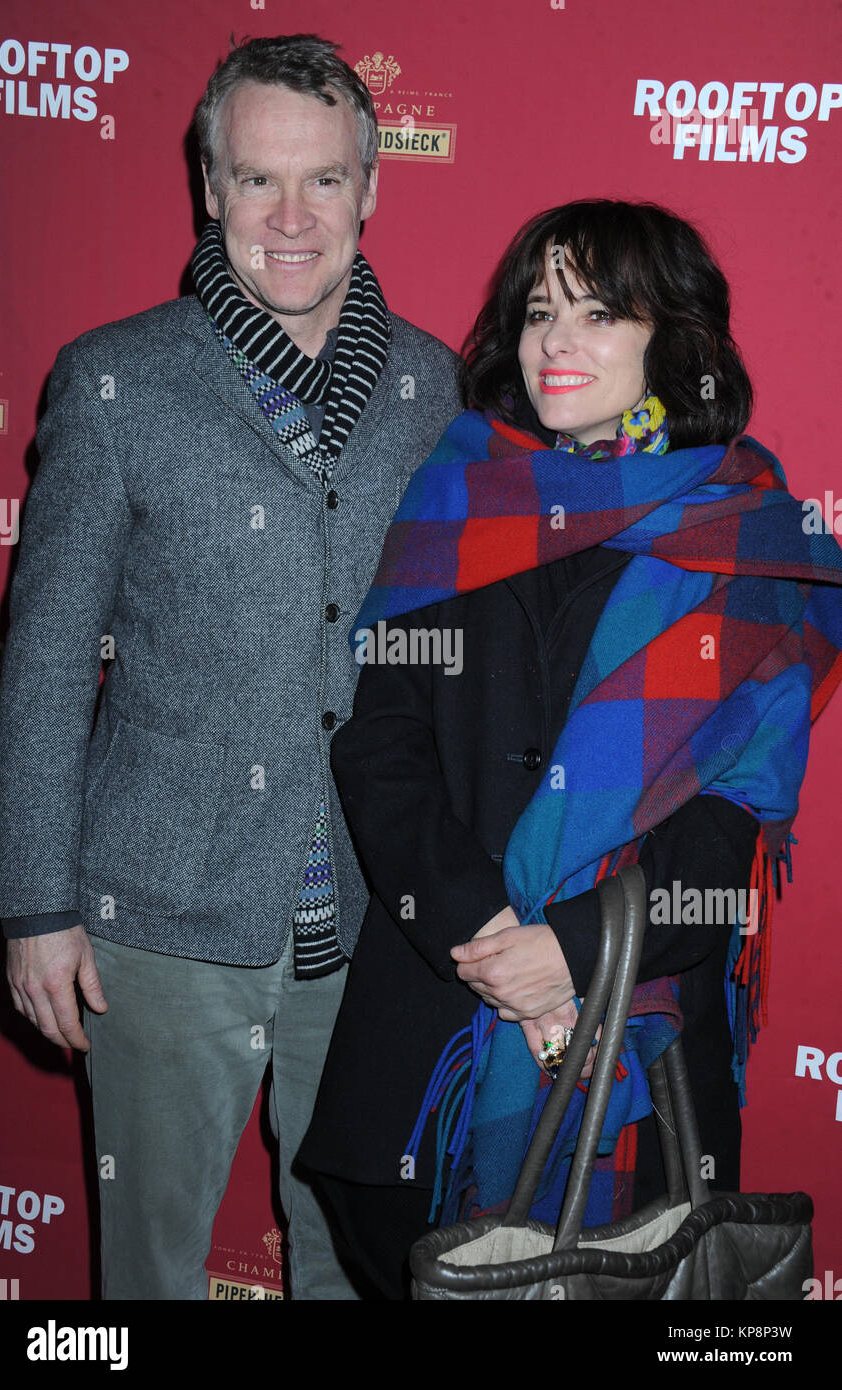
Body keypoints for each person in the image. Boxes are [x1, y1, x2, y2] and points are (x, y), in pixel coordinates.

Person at [299, 198, 842, 1299]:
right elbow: (381, 748)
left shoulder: (748, 538)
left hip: (642, 1047)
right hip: (431, 1019)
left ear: (674, 340)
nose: (556, 341)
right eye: (540, 311)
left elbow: (732, 812)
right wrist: (491, 937)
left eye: (599, 313)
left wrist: (579, 951)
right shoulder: (458, 498)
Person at [0, 33, 462, 1300]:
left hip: (373, 921)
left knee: (351, 1263)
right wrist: (35, 907)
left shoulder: (436, 389)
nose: (290, 218)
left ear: (371, 187)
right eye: (257, 180)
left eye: (321, 181)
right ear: (210, 186)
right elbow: (39, 661)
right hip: (156, 917)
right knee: (143, 1275)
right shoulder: (113, 381)